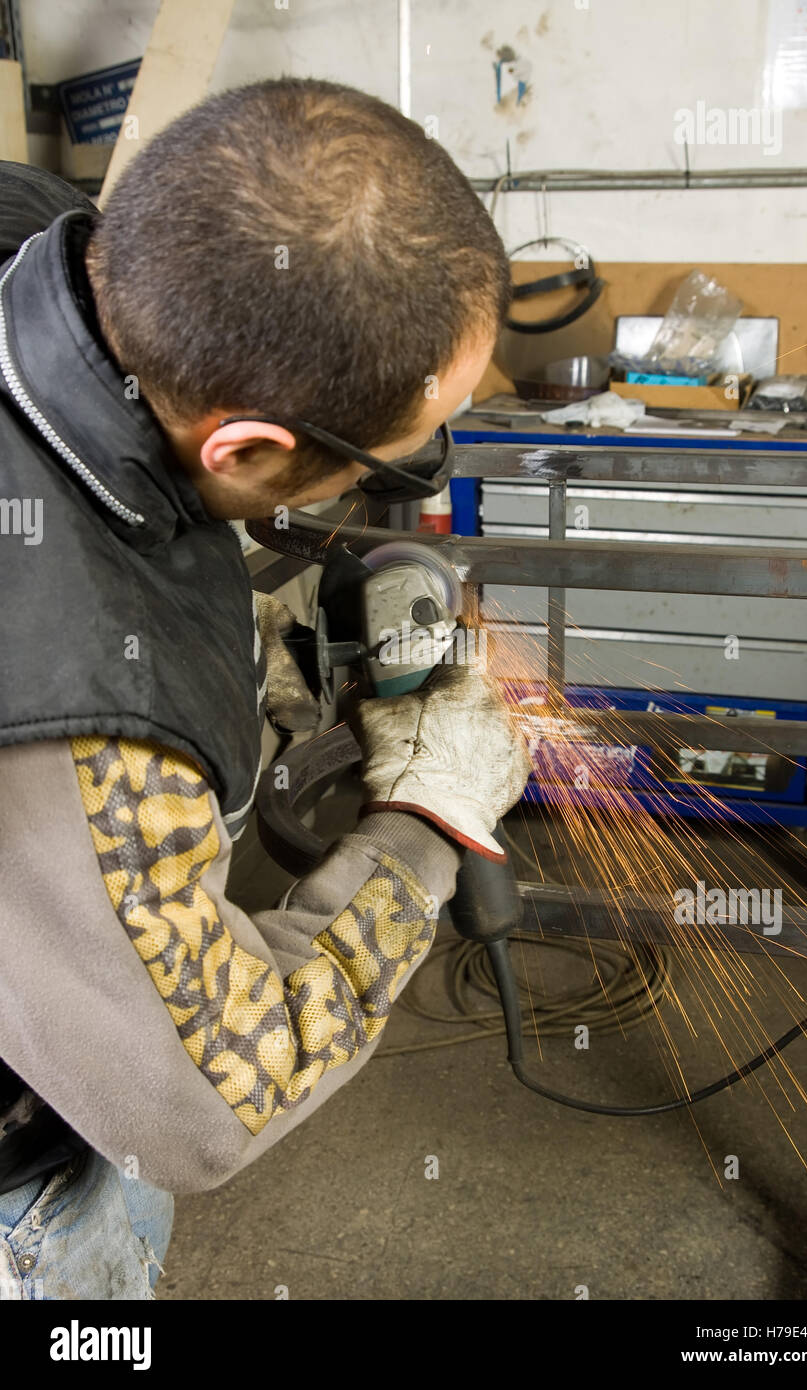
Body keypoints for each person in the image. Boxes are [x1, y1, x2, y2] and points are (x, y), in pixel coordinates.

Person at [0, 77, 530, 1300]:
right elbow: (196, 1108)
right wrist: (428, 826)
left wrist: (245, 618)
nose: (401, 482)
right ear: (243, 448)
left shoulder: (44, 239)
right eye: (399, 460)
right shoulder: (78, 713)